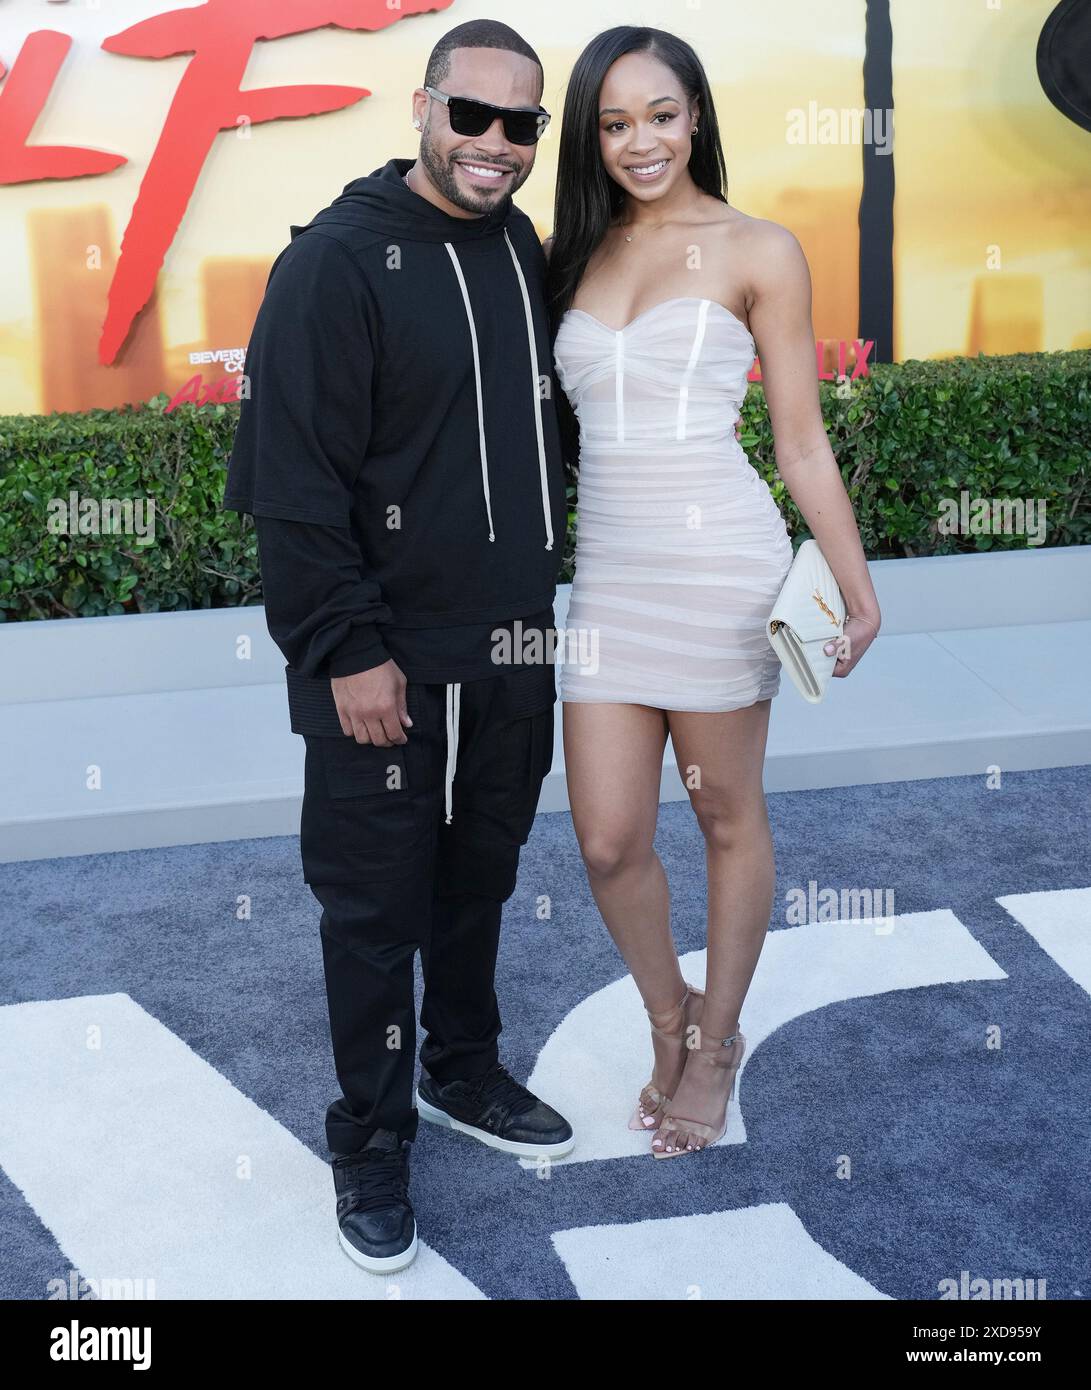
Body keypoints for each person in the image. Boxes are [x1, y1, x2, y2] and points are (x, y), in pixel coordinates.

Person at [223, 19, 573, 1274]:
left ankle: (461, 1069)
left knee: (480, 870)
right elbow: (291, 480)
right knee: (372, 912)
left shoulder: (519, 246)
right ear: (421, 107)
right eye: (470, 115)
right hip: (378, 661)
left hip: (512, 646)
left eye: (518, 125)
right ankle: (367, 1143)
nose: (493, 143)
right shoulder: (335, 259)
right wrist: (342, 648)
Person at [546, 26, 882, 1159]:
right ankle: (665, 1016)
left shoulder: (757, 249)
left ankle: (719, 1039)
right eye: (613, 121)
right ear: (591, 135)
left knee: (725, 817)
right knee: (605, 838)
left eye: (659, 114)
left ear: (694, 116)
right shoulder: (568, 256)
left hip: (720, 574)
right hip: (607, 584)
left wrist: (852, 580)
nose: (640, 140)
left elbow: (799, 442)